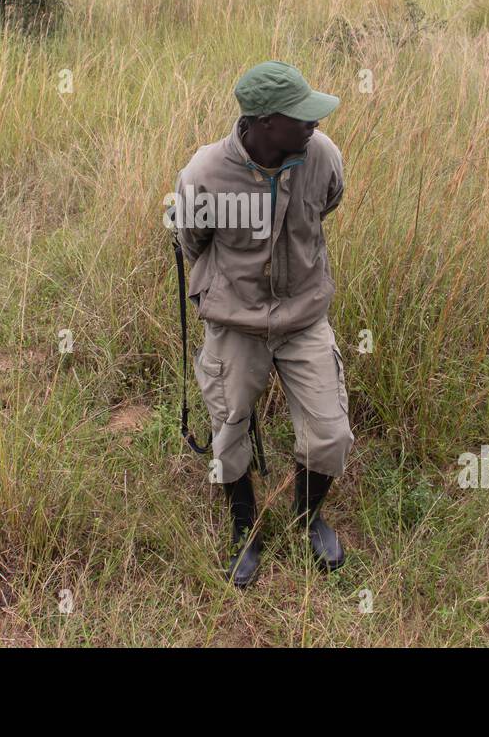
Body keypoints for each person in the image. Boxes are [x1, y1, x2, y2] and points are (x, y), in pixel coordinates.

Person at [173, 61, 353, 588]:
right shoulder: (204, 174)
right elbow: (192, 241)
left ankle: (307, 517)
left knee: (330, 434)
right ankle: (243, 526)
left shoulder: (321, 156)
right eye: (301, 118)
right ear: (264, 122)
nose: (314, 125)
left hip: (303, 316)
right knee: (229, 429)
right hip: (235, 319)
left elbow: (329, 203)